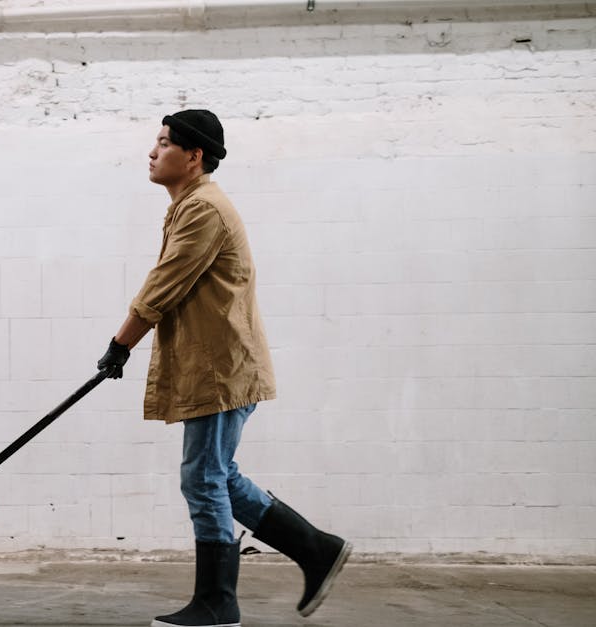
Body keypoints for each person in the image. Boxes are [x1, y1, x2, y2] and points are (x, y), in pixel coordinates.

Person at [97, 109, 351, 627]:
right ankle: (317, 548)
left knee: (204, 478)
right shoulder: (189, 205)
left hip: (221, 370)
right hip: (216, 367)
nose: (152, 151)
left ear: (194, 157)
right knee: (216, 475)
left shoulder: (203, 210)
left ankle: (218, 600)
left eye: (164, 143)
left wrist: (120, 343)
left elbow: (162, 287)